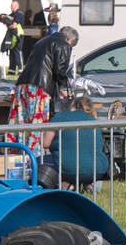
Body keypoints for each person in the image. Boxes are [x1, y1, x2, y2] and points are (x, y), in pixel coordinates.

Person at [10, 25, 79, 162]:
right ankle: (33, 164)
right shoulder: (64, 45)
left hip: (23, 86)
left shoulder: (41, 41)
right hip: (40, 89)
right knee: (37, 127)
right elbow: (60, 70)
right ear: (70, 40)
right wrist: (66, 84)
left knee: (22, 125)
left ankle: (15, 160)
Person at [0, 0, 25, 76]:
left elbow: (14, 26)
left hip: (18, 36)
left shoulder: (19, 14)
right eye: (11, 6)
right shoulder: (13, 14)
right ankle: (11, 70)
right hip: (12, 36)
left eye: (12, 6)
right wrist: (3, 18)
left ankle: (20, 70)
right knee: (11, 52)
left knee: (17, 52)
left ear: (17, 6)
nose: (11, 7)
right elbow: (8, 19)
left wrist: (9, 25)